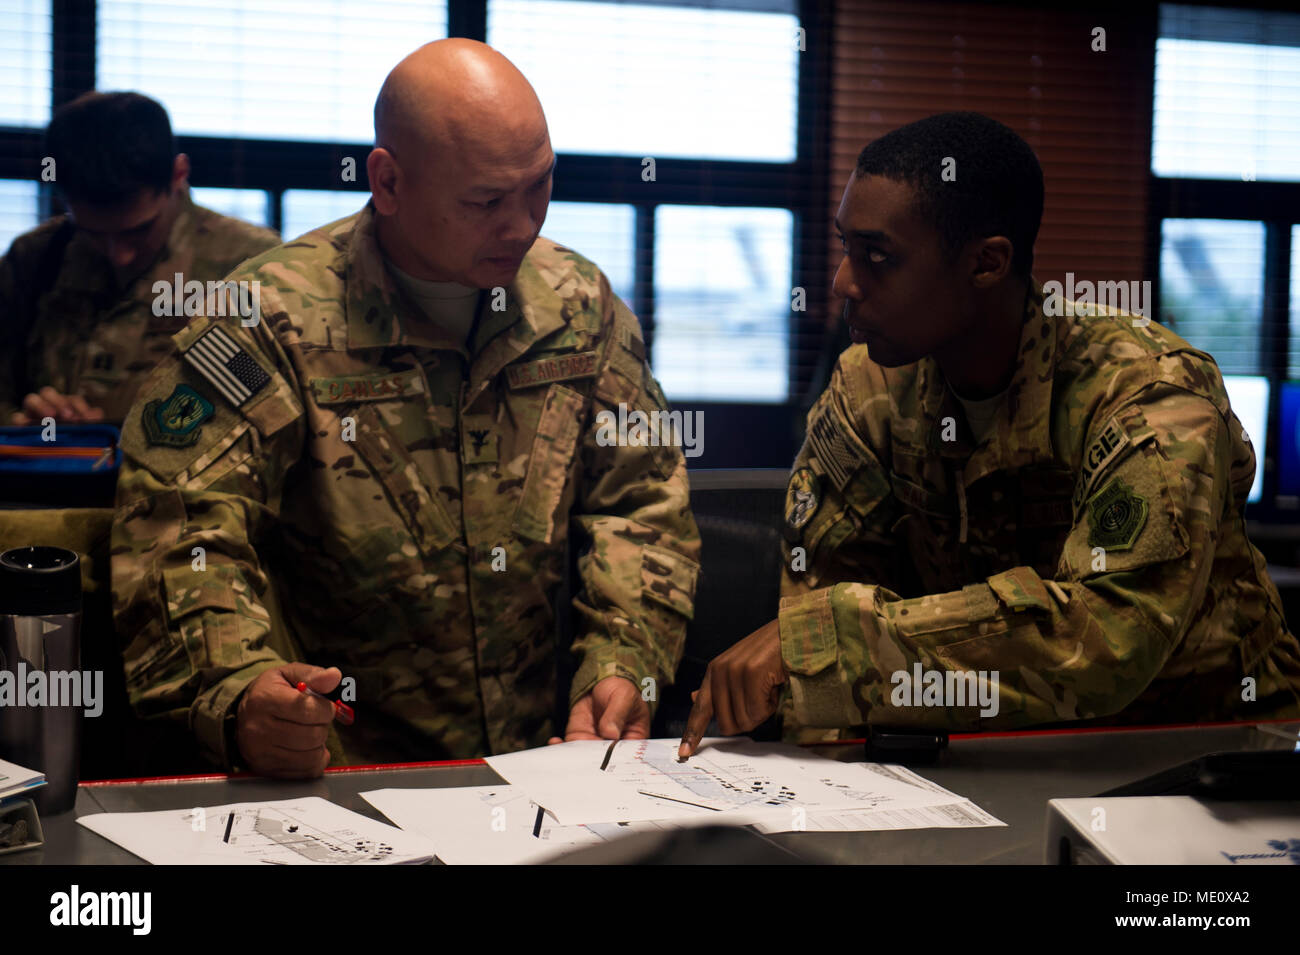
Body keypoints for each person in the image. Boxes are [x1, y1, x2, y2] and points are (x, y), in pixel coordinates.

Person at [113, 40, 701, 779]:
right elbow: (177, 520)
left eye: (540, 185)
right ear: (388, 182)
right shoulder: (268, 318)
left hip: (544, 767)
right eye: (486, 200)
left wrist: (622, 663)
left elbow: (642, 501)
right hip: (340, 771)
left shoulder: (580, 305)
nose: (522, 225)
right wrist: (234, 692)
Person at [679, 111, 1300, 758]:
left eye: (878, 256)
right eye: (844, 247)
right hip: (986, 760)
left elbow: (1110, 640)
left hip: (1212, 757)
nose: (842, 282)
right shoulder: (868, 391)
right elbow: (817, 632)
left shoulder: (1144, 394)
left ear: (986, 263)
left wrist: (842, 645)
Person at [0, 91, 279, 424]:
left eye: (138, 231)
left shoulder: (251, 264)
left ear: (179, 174)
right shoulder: (35, 259)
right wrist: (25, 426)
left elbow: (270, 410)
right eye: (93, 233)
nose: (120, 255)